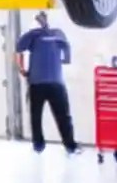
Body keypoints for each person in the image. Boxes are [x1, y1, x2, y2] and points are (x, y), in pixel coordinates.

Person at [15, 12, 79, 154]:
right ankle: (68, 145)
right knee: (61, 116)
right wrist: (65, 60)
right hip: (54, 82)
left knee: (38, 115)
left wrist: (21, 68)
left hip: (39, 82)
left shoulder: (34, 35)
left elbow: (18, 50)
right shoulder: (55, 34)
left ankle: (42, 145)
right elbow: (67, 50)